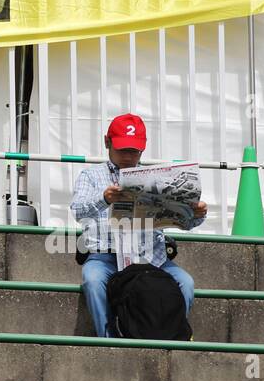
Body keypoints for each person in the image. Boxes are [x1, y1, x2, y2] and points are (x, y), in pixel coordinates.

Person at [70, 114, 208, 338]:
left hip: (150, 258)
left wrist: (196, 214)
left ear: (143, 149)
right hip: (105, 255)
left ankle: (171, 338)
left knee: (185, 282)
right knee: (94, 280)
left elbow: (183, 223)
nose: (128, 156)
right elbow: (77, 211)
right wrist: (104, 199)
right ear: (107, 142)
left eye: (134, 151)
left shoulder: (158, 177)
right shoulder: (91, 175)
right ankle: (111, 343)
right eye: (122, 149)